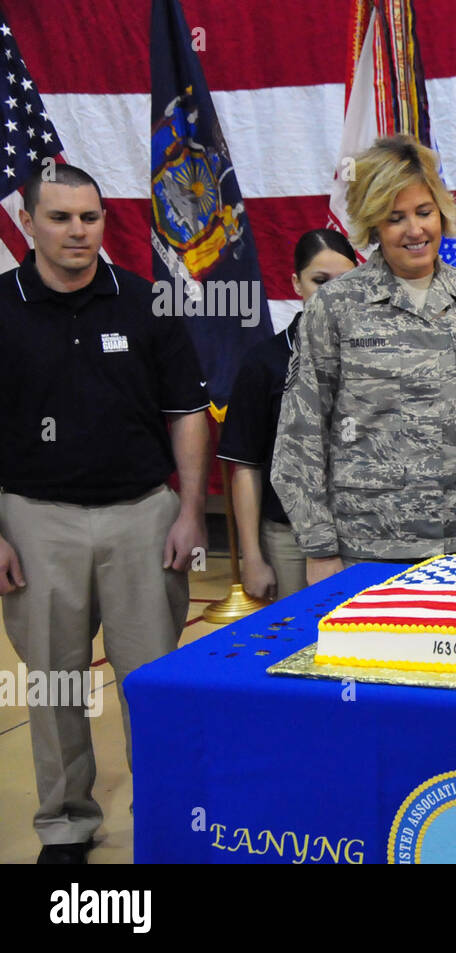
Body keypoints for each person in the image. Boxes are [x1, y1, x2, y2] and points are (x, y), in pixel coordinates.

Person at [0, 164, 209, 863]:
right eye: (60, 218)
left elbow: (186, 411)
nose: (77, 231)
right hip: (34, 517)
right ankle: (65, 823)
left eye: (89, 218)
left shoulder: (146, 302)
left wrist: (189, 509)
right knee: (56, 681)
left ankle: (164, 806)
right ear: (28, 222)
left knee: (151, 680)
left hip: (144, 515)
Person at [273, 135, 456, 582]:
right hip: (367, 548)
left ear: (442, 213)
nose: (415, 230)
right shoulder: (334, 308)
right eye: (395, 218)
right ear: (373, 225)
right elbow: (302, 434)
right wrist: (319, 548)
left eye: (424, 213)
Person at [217, 230, 358, 601]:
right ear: (296, 283)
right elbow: (245, 466)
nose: (330, 295)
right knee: (294, 649)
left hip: (368, 532)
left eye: (344, 283)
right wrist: (252, 557)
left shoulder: (377, 359)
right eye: (319, 281)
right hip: (289, 539)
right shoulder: (264, 362)